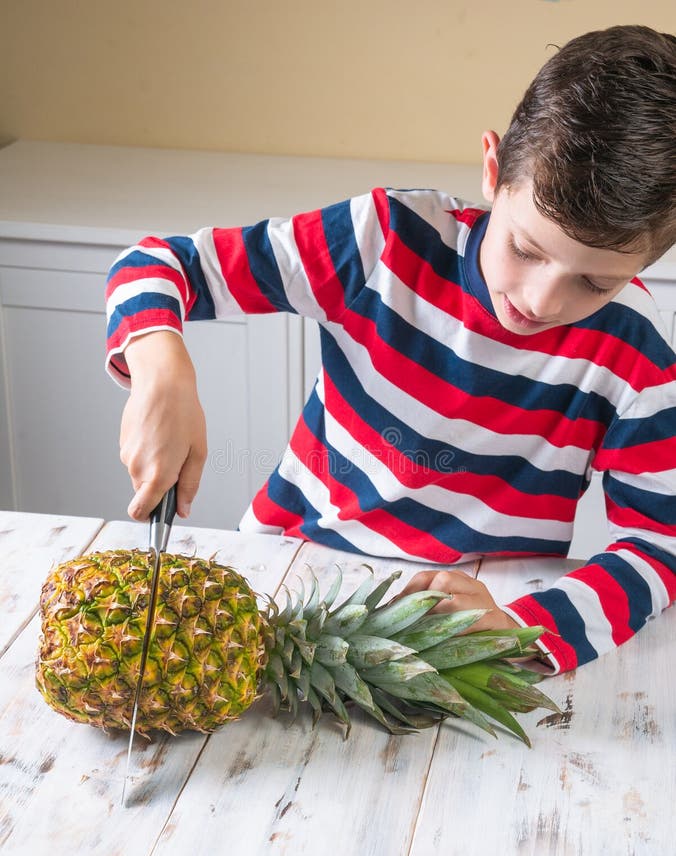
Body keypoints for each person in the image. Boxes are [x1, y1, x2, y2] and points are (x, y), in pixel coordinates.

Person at [105, 25, 676, 675]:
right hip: (289, 574)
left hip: (474, 621)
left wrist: (521, 627)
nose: (544, 300)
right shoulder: (383, 240)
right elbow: (158, 264)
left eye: (594, 281)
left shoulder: (638, 356)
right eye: (526, 248)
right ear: (492, 171)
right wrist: (161, 371)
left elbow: (658, 547)